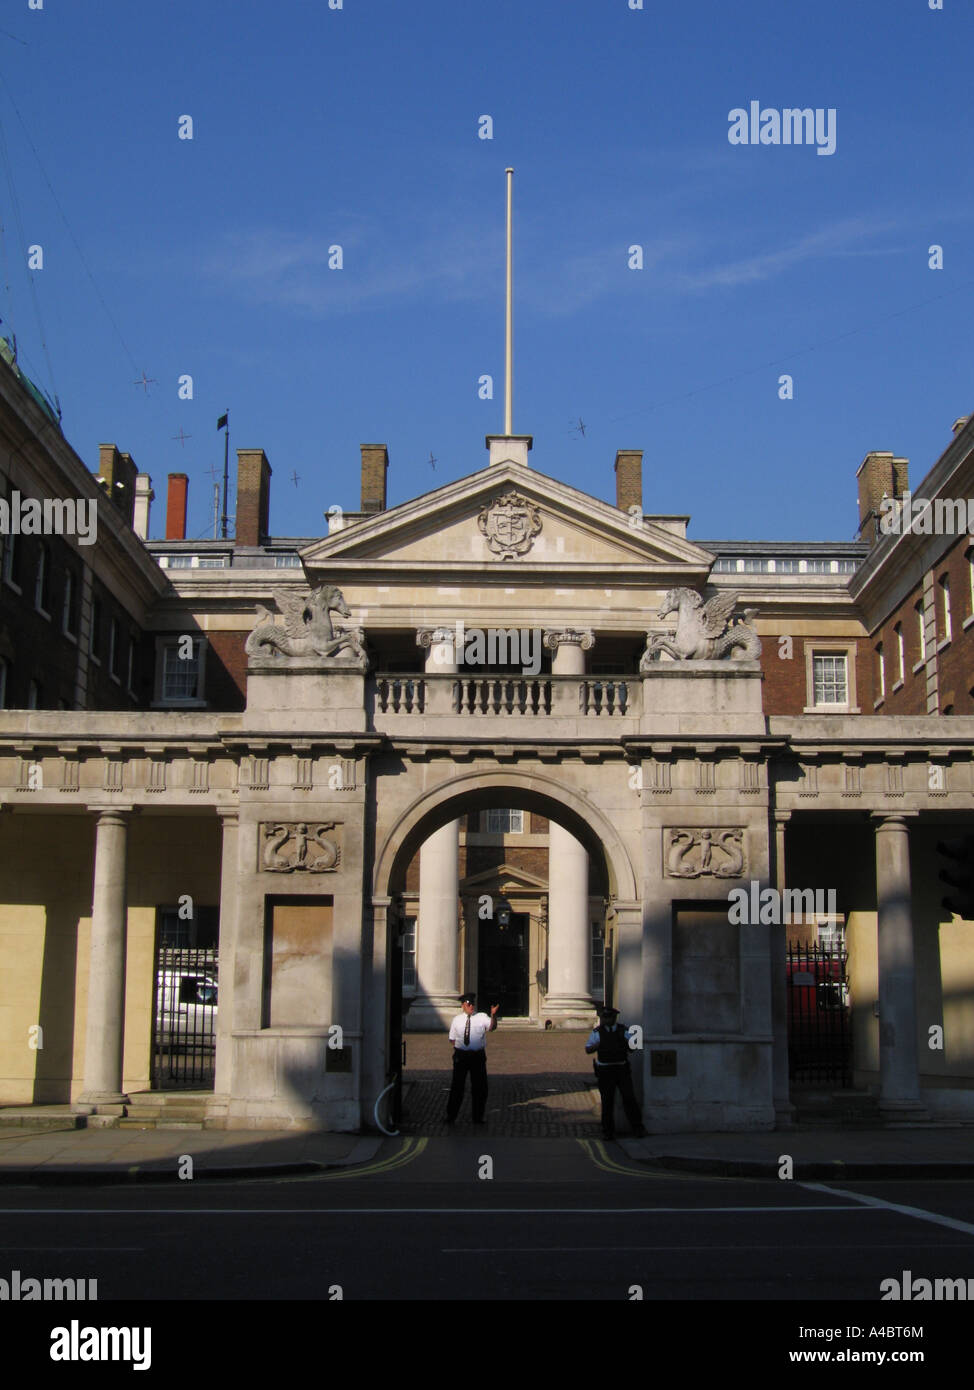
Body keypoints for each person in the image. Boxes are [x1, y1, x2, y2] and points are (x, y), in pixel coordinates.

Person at [585, 1005, 648, 1140]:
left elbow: (633, 1048)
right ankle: (608, 1131)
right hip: (605, 1070)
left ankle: (637, 1128)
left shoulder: (623, 1030)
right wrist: (600, 1044)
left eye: (609, 1017)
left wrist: (625, 1042)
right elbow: (588, 1049)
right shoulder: (597, 1032)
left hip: (621, 1069)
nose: (606, 1020)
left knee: (629, 1099)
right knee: (607, 1102)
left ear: (614, 1018)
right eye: (604, 1017)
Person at [446, 992, 499, 1125]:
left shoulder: (481, 1017)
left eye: (473, 1004)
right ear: (463, 1005)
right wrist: (462, 1048)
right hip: (461, 1056)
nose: (471, 1006)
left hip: (477, 1056)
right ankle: (451, 1116)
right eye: (469, 1004)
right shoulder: (457, 1020)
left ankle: (478, 1117)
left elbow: (492, 1027)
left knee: (480, 1088)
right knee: (457, 1086)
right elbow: (452, 1039)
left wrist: (493, 1015)